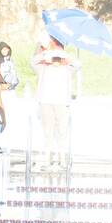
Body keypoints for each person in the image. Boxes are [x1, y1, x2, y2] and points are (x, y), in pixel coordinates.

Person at [32, 35, 79, 167]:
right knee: (48, 132)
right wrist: (47, 53)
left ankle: (62, 158)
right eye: (55, 57)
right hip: (46, 102)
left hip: (62, 103)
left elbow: (77, 64)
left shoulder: (67, 69)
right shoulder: (43, 68)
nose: (56, 59)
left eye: (58, 57)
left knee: (62, 131)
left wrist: (62, 54)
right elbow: (33, 61)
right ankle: (47, 158)